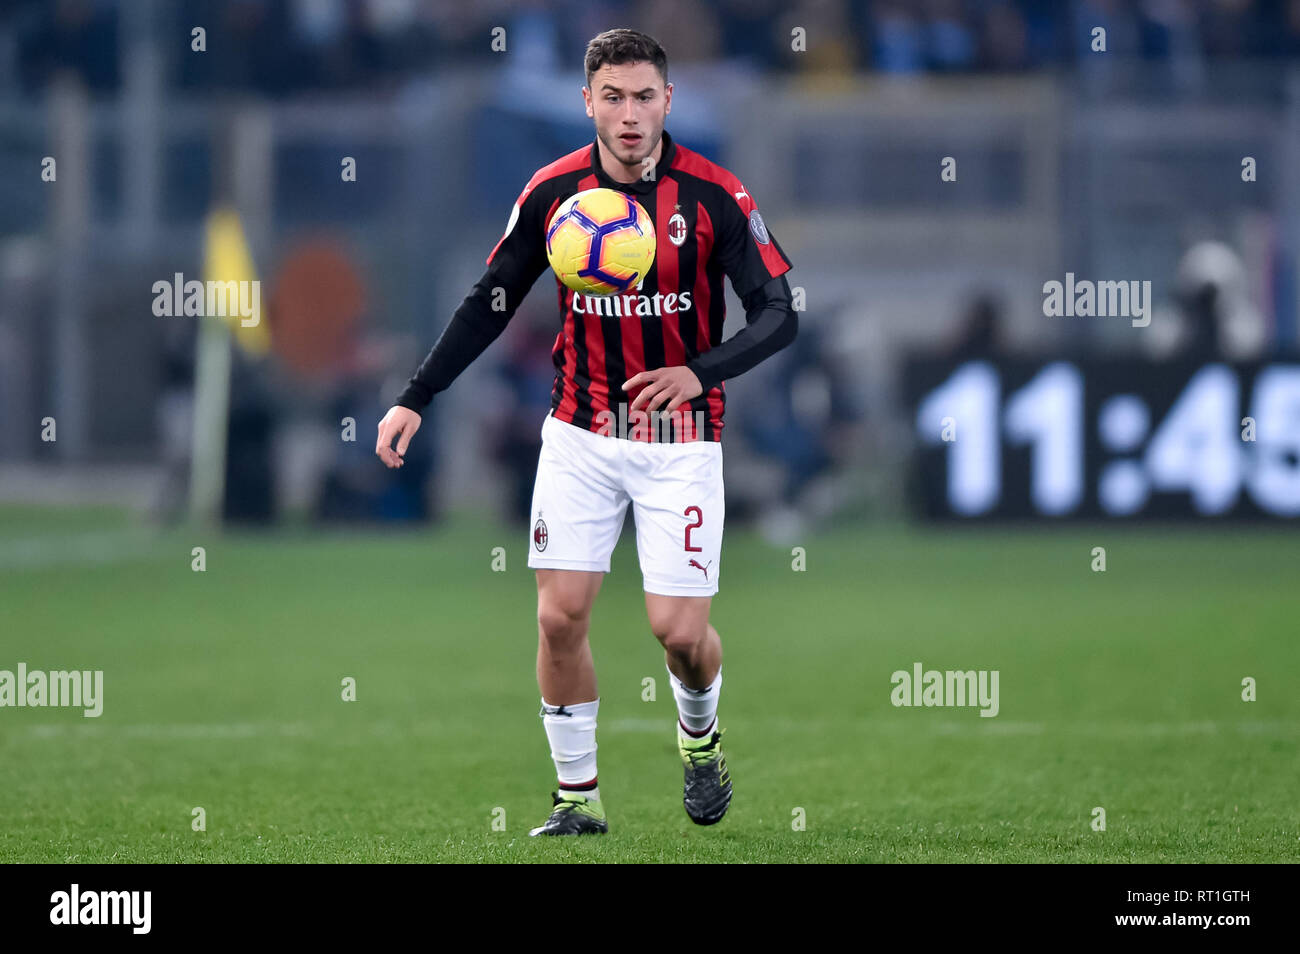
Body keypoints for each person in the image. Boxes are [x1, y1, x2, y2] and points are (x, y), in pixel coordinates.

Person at [375, 29, 797, 835]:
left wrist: (700, 372)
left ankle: (700, 738)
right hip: (579, 433)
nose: (630, 114)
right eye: (614, 97)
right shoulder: (552, 193)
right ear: (588, 102)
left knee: (679, 635)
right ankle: (577, 799)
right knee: (558, 616)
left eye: (645, 97)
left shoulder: (714, 197)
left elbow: (780, 313)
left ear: (669, 100)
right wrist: (416, 395)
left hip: (681, 439)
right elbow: (489, 299)